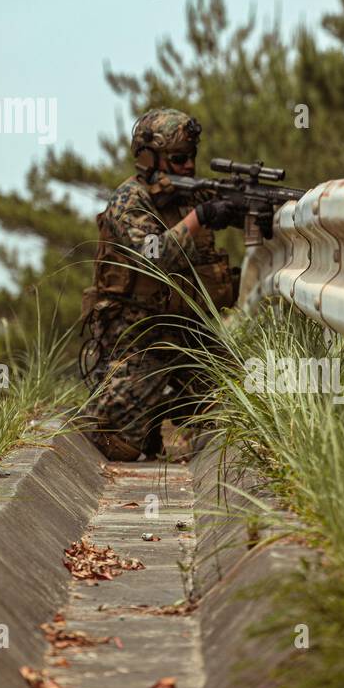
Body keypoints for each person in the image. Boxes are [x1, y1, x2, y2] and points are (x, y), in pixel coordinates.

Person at [79, 108, 243, 460]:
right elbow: (151, 256)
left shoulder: (189, 195)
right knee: (117, 441)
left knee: (237, 406)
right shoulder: (130, 198)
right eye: (178, 158)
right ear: (148, 157)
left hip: (190, 334)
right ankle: (141, 412)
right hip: (139, 335)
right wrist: (199, 219)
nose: (187, 166)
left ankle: (170, 416)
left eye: (191, 158)